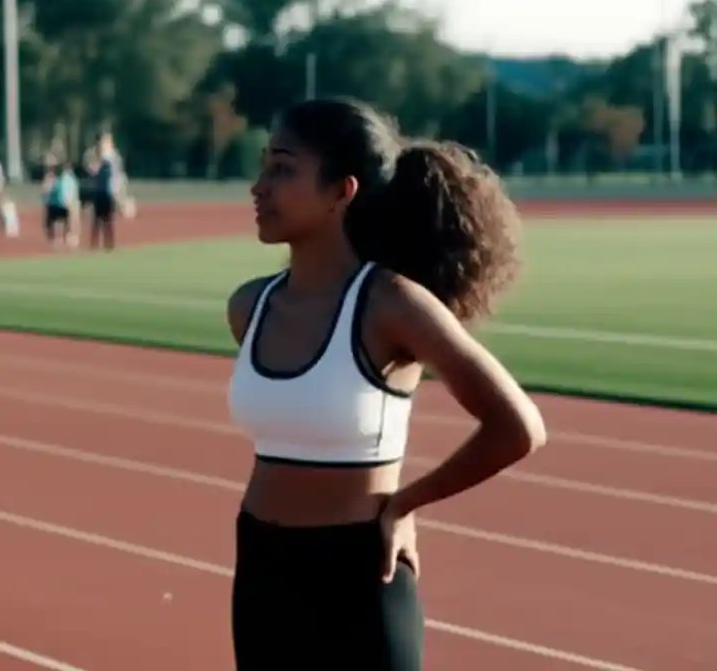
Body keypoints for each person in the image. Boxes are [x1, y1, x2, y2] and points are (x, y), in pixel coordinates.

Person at [225, 98, 547, 670]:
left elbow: (516, 427)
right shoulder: (250, 307)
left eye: (282, 169)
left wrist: (406, 504)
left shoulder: (390, 304)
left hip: (358, 574)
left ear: (340, 192)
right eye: (262, 167)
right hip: (262, 569)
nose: (259, 187)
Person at [84, 132, 123, 250]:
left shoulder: (113, 157)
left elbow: (117, 175)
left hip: (108, 192)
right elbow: (91, 169)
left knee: (108, 219)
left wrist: (118, 191)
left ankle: (109, 244)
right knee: (96, 220)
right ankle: (94, 244)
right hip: (98, 191)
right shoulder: (97, 156)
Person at [41, 157, 79, 249]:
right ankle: (57, 239)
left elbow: (71, 191)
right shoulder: (52, 178)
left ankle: (67, 238)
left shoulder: (65, 178)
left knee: (67, 221)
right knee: (51, 224)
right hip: (54, 204)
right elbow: (45, 191)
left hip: (61, 204)